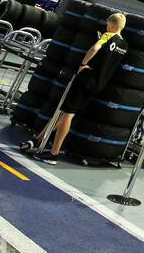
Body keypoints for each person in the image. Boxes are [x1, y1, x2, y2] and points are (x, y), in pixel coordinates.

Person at [39, 13, 130, 164]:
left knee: (67, 114)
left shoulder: (108, 35)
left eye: (108, 24)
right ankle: (40, 138)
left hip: (86, 78)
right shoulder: (125, 46)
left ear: (112, 26)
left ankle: (53, 154)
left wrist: (83, 64)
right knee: (65, 112)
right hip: (98, 84)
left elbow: (95, 48)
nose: (106, 27)